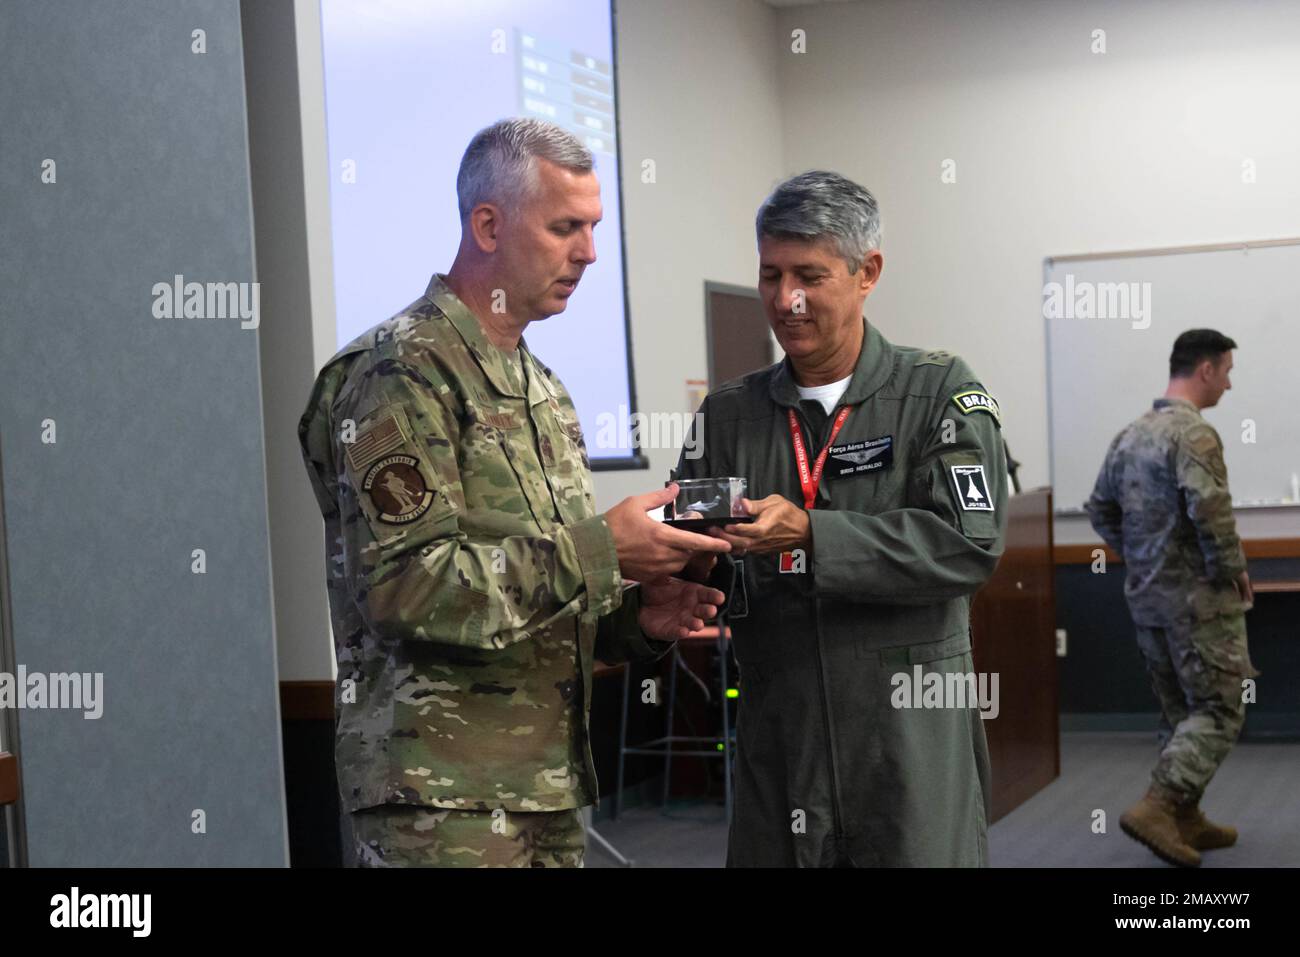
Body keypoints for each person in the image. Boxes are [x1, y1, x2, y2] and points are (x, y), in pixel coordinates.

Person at [298, 117, 727, 867]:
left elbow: (538, 606)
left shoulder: (543, 390)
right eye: (566, 227)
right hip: (440, 806)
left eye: (593, 228)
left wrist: (638, 619)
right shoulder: (400, 373)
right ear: (488, 225)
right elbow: (406, 589)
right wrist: (603, 547)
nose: (589, 253)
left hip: (546, 791)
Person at [676, 171, 1008, 866]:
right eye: (770, 274)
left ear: (868, 273)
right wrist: (680, 562)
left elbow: (965, 544)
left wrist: (809, 532)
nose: (785, 299)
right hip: (781, 746)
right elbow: (690, 541)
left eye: (809, 275)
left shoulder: (938, 390)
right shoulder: (729, 414)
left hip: (907, 747)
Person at [1086, 328, 1258, 868]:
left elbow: (1098, 508)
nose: (1229, 385)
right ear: (1205, 369)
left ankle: (1185, 815)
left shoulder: (1130, 434)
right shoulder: (1194, 435)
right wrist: (1231, 570)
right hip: (1198, 602)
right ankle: (1160, 805)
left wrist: (1140, 555)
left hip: (1148, 600)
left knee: (1179, 711)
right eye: (1226, 372)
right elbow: (1208, 507)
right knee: (1220, 708)